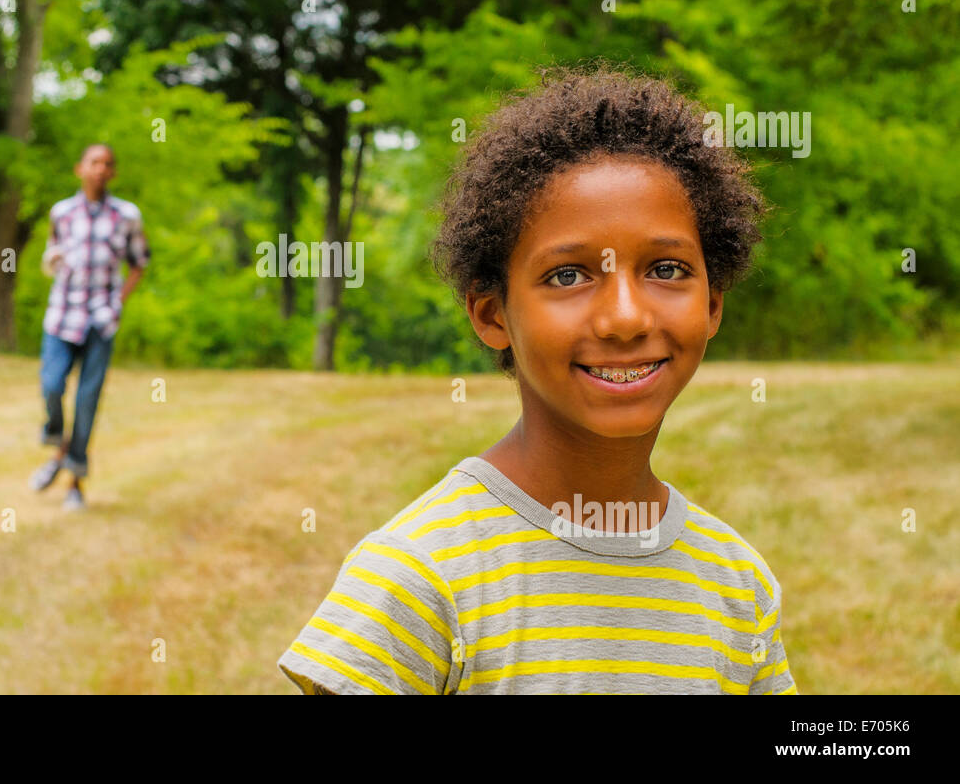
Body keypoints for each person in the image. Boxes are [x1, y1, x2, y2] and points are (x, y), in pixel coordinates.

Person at [277, 68, 797, 694]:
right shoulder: (419, 578)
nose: (625, 318)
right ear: (492, 314)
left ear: (714, 304)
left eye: (665, 268)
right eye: (568, 276)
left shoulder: (735, 582)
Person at [29, 143, 149, 511]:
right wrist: (53, 258)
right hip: (62, 315)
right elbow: (51, 253)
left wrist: (117, 303)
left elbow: (139, 263)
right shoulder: (61, 213)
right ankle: (57, 446)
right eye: (94, 162)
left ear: (113, 172)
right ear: (79, 168)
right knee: (51, 386)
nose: (100, 169)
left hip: (101, 320)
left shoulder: (127, 215)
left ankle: (75, 483)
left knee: (86, 402)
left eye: (107, 164)